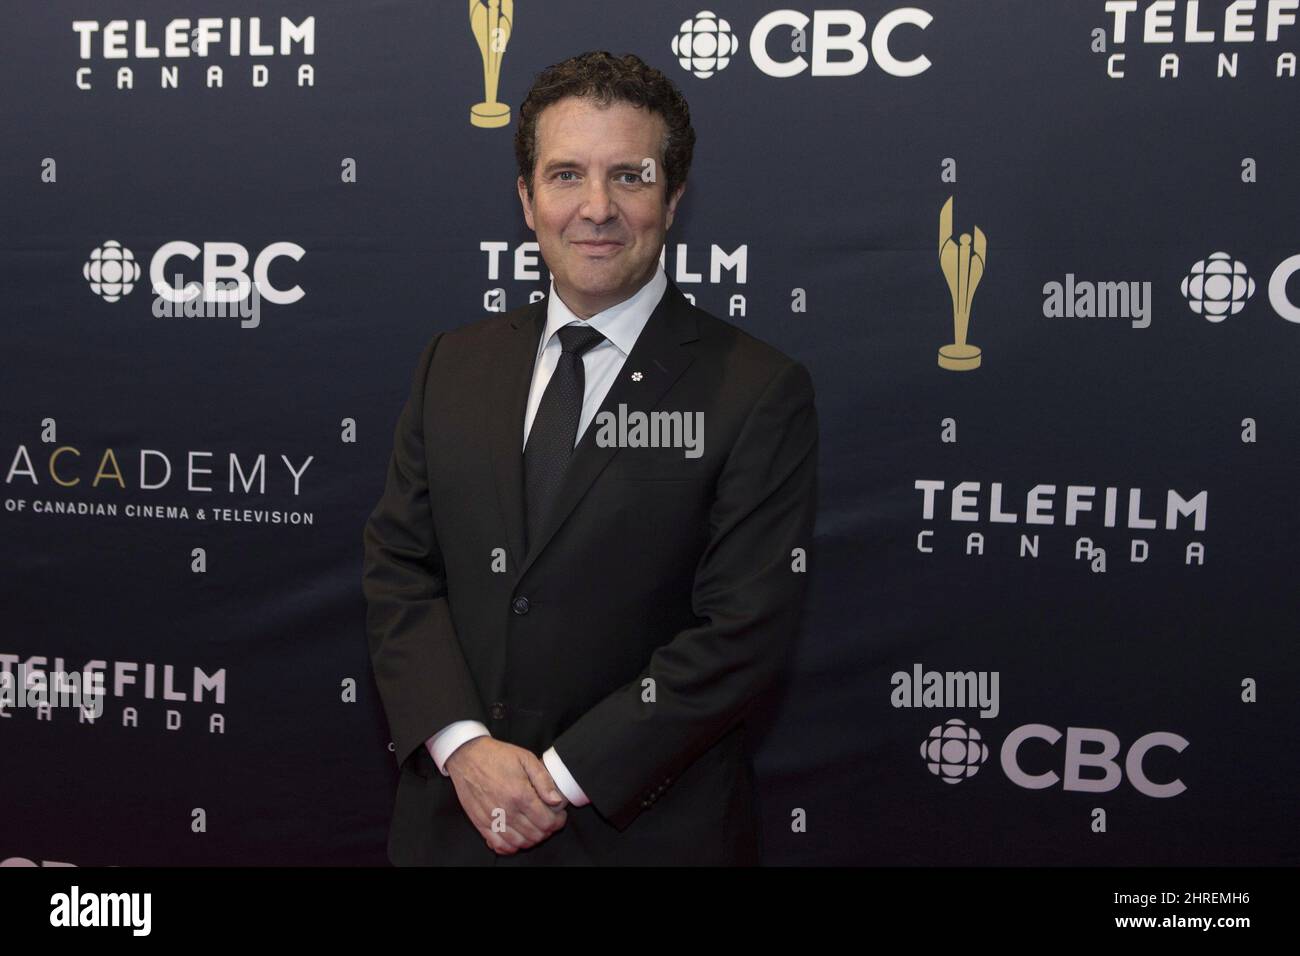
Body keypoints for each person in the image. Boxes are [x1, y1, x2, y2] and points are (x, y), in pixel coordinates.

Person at [363, 50, 818, 865]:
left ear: (673, 199)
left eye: (630, 177)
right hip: (452, 822)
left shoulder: (757, 389)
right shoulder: (452, 364)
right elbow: (400, 566)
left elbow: (743, 628)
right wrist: (465, 749)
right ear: (527, 198)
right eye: (567, 175)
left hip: (641, 829)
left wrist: (558, 778)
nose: (596, 208)